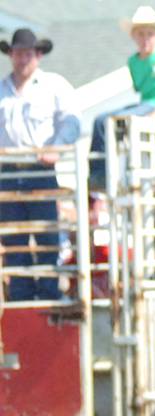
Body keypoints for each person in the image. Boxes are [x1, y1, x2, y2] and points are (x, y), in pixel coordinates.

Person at [0, 28, 80, 301]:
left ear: (38, 56)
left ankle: (47, 292)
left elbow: (71, 122)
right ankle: (21, 294)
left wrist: (56, 147)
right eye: (19, 53)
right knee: (14, 237)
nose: (23, 59)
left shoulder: (53, 86)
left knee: (47, 234)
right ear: (11, 55)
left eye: (28, 54)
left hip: (40, 168)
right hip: (8, 170)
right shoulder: (1, 89)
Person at [89, 6, 155, 189]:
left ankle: (106, 174)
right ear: (134, 36)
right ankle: (99, 174)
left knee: (117, 121)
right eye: (141, 34)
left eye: (149, 34)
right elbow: (141, 90)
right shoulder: (134, 62)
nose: (145, 39)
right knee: (101, 120)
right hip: (146, 104)